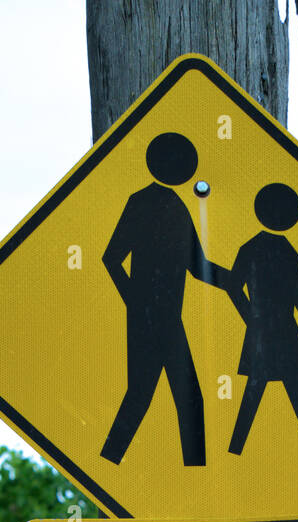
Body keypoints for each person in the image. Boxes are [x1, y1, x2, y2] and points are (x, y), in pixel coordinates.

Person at [101, 132, 231, 468]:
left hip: (170, 319)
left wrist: (236, 281)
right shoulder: (140, 202)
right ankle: (109, 465)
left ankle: (193, 478)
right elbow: (111, 258)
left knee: (181, 399)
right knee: (145, 398)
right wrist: (134, 300)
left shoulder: (178, 207)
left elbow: (196, 267)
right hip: (147, 319)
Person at [227, 182, 298, 460]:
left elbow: (233, 286)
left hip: (272, 334)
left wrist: (252, 318)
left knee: (274, 395)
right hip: (280, 335)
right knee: (273, 396)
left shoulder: (270, 249)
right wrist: (250, 317)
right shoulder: (282, 251)